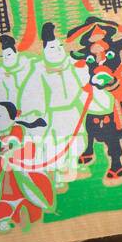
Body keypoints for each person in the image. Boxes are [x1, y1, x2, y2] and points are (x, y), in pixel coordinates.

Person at [25, 23, 88, 191]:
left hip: (73, 110)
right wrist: (35, 111)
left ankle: (74, 165)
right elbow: (30, 91)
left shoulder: (70, 62)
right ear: (45, 50)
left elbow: (83, 78)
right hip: (55, 114)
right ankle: (59, 174)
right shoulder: (39, 69)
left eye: (60, 46)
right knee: (58, 143)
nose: (58, 50)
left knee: (78, 138)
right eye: (53, 48)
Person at [0, 101, 53, 231]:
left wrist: (14, 153)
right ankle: (2, 218)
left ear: (12, 118)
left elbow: (30, 150)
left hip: (18, 177)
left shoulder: (19, 133)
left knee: (27, 199)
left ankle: (22, 212)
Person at [0, 36, 42, 134]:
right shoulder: (3, 75)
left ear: (15, 52)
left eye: (8, 54)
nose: (6, 59)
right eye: (3, 56)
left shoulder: (29, 65)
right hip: (14, 116)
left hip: (33, 110)